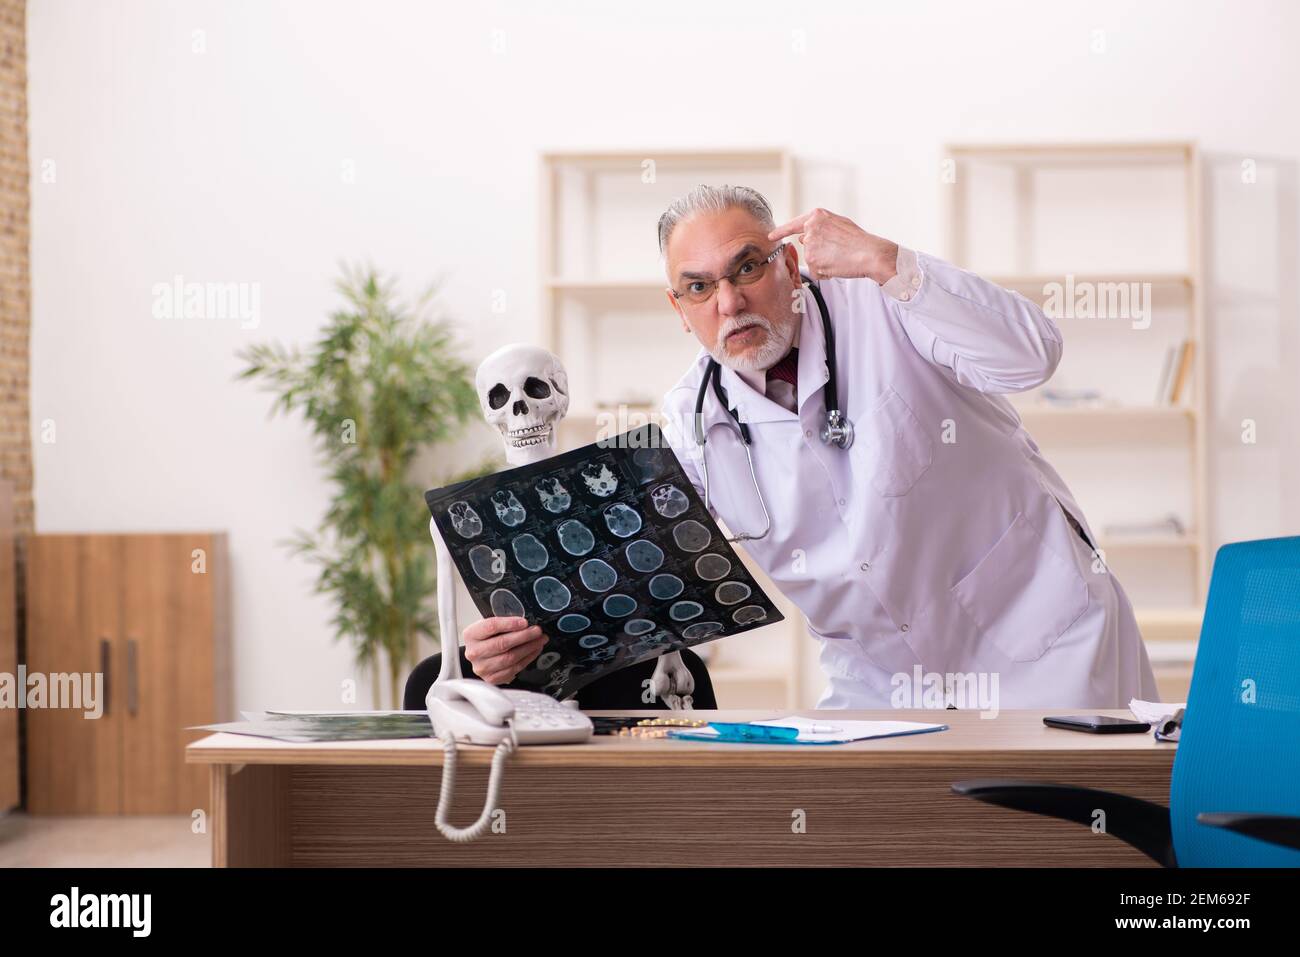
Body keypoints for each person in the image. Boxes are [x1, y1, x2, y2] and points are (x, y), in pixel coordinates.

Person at [653, 184, 1158, 709]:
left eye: (748, 268)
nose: (730, 302)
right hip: (881, 686)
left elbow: (1033, 356)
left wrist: (885, 259)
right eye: (698, 287)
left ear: (789, 262)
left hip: (1046, 647)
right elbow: (662, 561)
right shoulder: (691, 418)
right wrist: (659, 644)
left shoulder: (887, 301)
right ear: (679, 308)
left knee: (1079, 792)